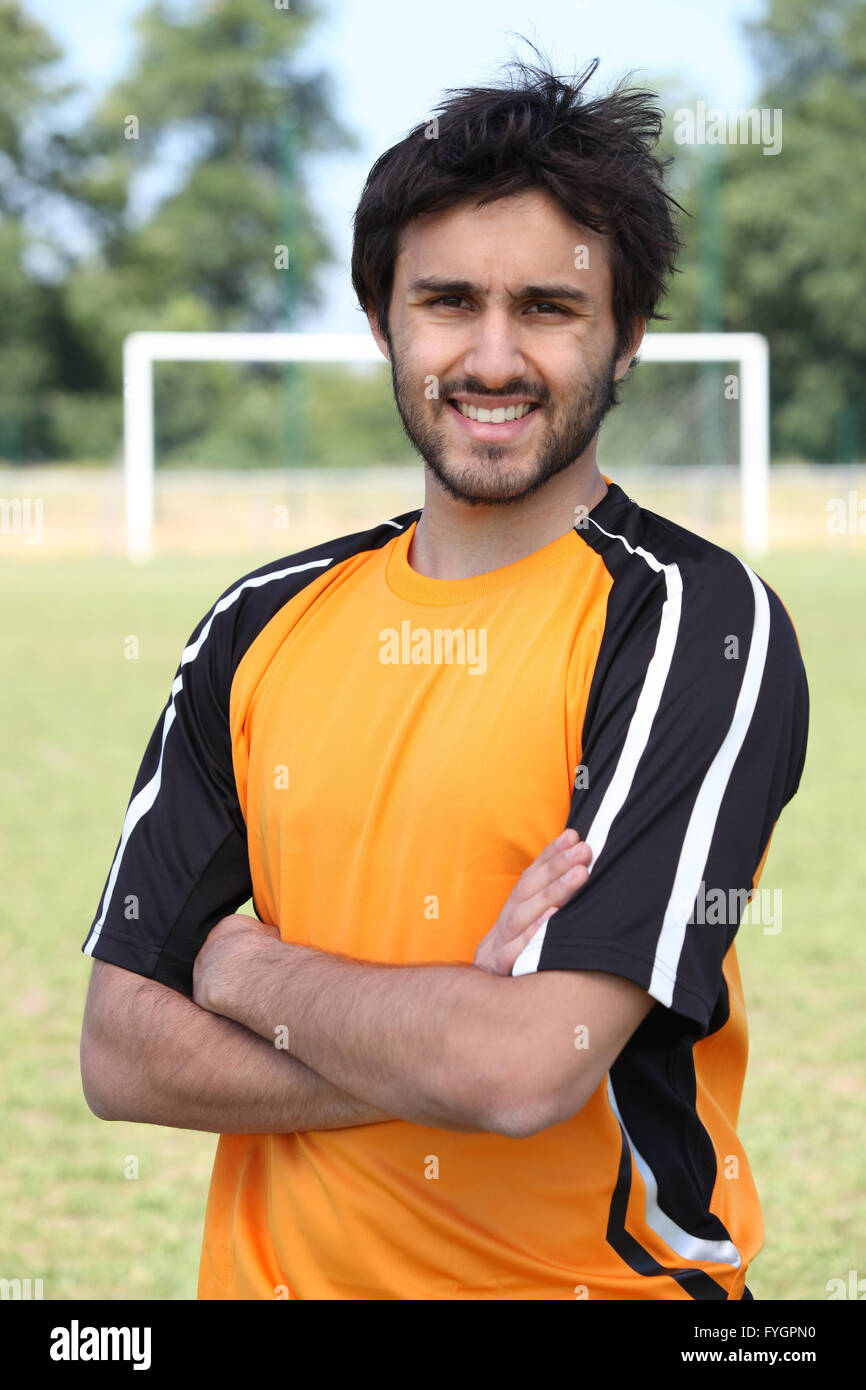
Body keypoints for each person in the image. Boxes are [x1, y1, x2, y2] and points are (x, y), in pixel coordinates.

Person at [80, 53, 808, 1301]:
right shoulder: (259, 622)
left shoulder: (693, 621)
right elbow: (118, 1055)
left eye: (545, 307)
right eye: (446, 301)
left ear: (625, 336)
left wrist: (242, 971)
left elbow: (527, 1070)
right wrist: (444, 1031)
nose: (489, 356)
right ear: (381, 322)